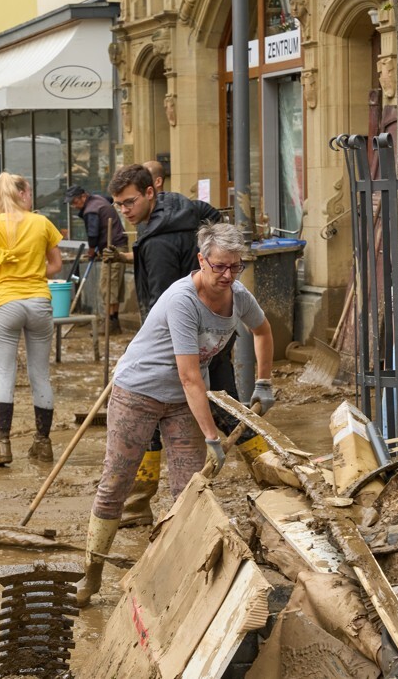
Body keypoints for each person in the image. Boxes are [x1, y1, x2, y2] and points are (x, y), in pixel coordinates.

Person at [76, 223, 274, 606]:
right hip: (139, 392)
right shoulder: (182, 300)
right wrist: (213, 437)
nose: (228, 276)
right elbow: (188, 375)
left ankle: (182, 574)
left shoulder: (237, 294)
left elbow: (262, 331)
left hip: (183, 401)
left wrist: (263, 383)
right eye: (219, 267)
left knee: (191, 491)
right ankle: (92, 574)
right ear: (202, 260)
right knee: (117, 480)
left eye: (236, 267)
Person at [108, 164, 271, 527]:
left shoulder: (154, 242)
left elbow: (159, 301)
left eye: (128, 202)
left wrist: (147, 342)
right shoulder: (194, 211)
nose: (124, 211)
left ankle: (137, 505)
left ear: (151, 192)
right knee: (228, 403)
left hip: (184, 341)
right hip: (213, 334)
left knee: (161, 420)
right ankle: (271, 474)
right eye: (119, 205)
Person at [0, 173, 63, 466]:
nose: (30, 196)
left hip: (5, 304)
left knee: (5, 375)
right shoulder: (42, 223)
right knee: (40, 375)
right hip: (38, 302)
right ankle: (43, 444)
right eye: (29, 191)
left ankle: (2, 446)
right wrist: (31, 273)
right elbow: (56, 264)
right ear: (21, 194)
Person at [65, 185, 128, 333]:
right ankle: (113, 322)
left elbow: (92, 234)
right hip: (116, 245)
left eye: (75, 202)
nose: (74, 206)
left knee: (108, 287)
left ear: (83, 197)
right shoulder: (99, 200)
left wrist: (92, 250)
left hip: (113, 249)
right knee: (112, 287)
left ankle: (108, 324)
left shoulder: (90, 210)